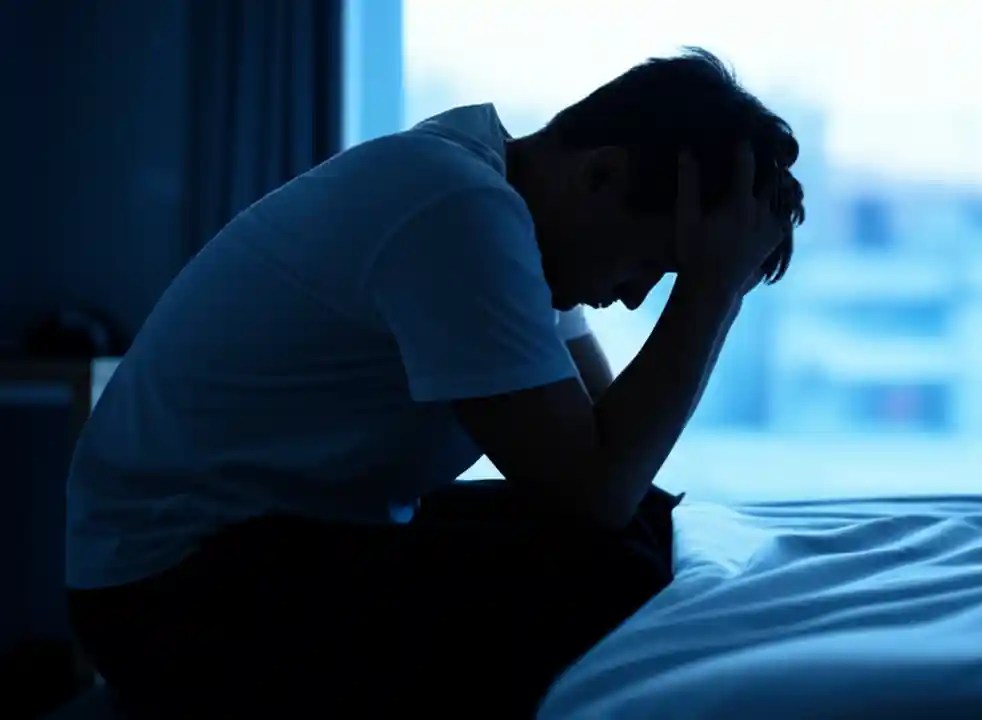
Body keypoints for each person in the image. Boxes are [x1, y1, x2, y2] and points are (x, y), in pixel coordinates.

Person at [64, 48, 805, 717]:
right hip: (170, 591)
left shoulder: (498, 203)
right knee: (607, 572)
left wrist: (710, 280)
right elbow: (595, 493)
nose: (637, 296)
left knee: (644, 527)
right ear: (598, 174)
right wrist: (711, 293)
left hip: (270, 543)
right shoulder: (459, 209)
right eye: (650, 263)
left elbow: (613, 456)